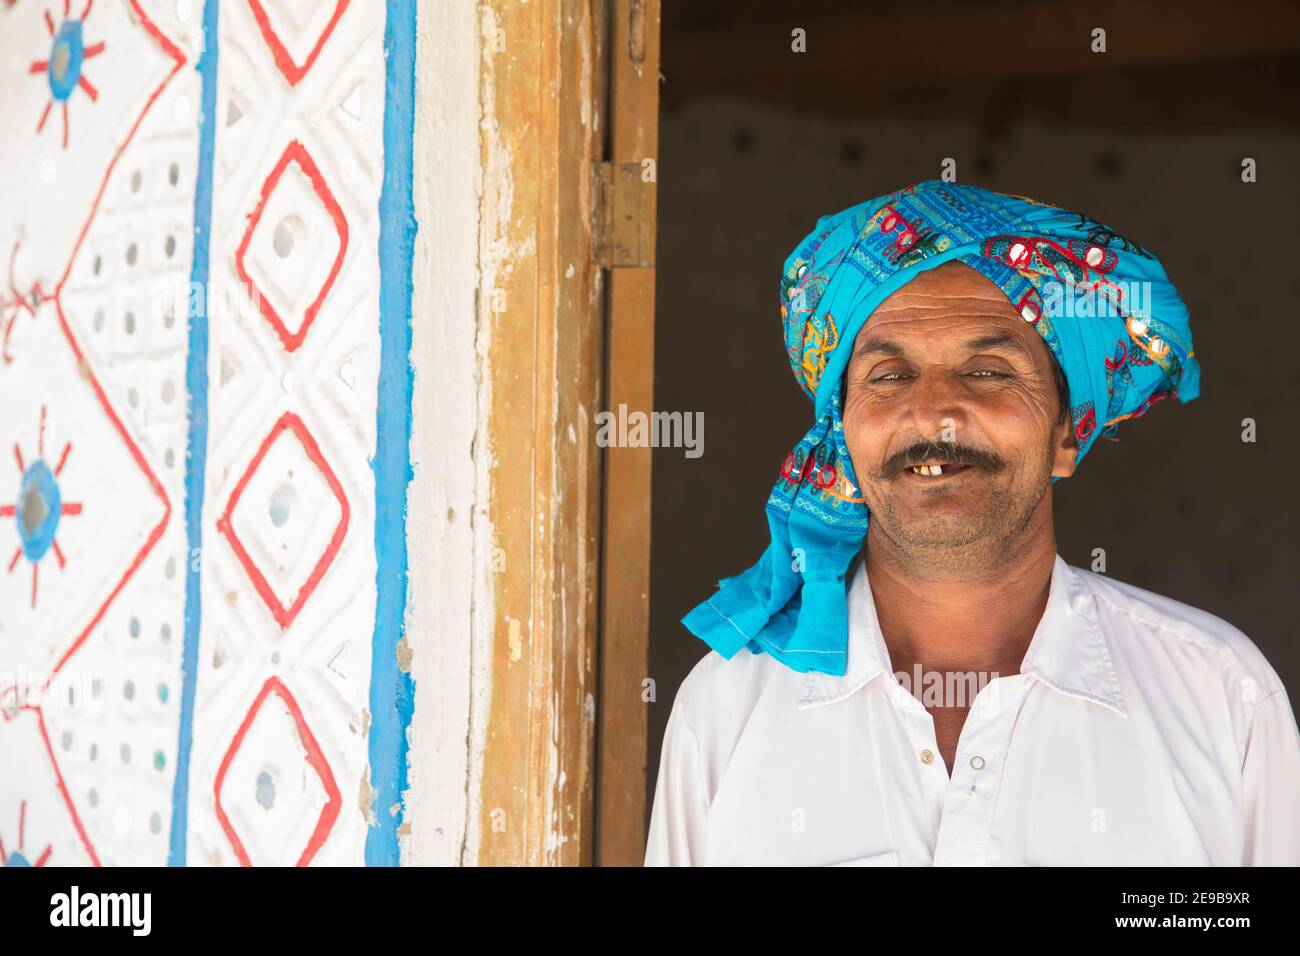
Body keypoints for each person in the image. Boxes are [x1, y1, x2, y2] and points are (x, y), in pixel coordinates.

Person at [645, 180, 1300, 866]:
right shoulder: (728, 712)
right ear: (842, 432)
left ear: (1066, 436)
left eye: (987, 371)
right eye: (889, 377)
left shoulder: (1218, 698)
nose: (935, 415)